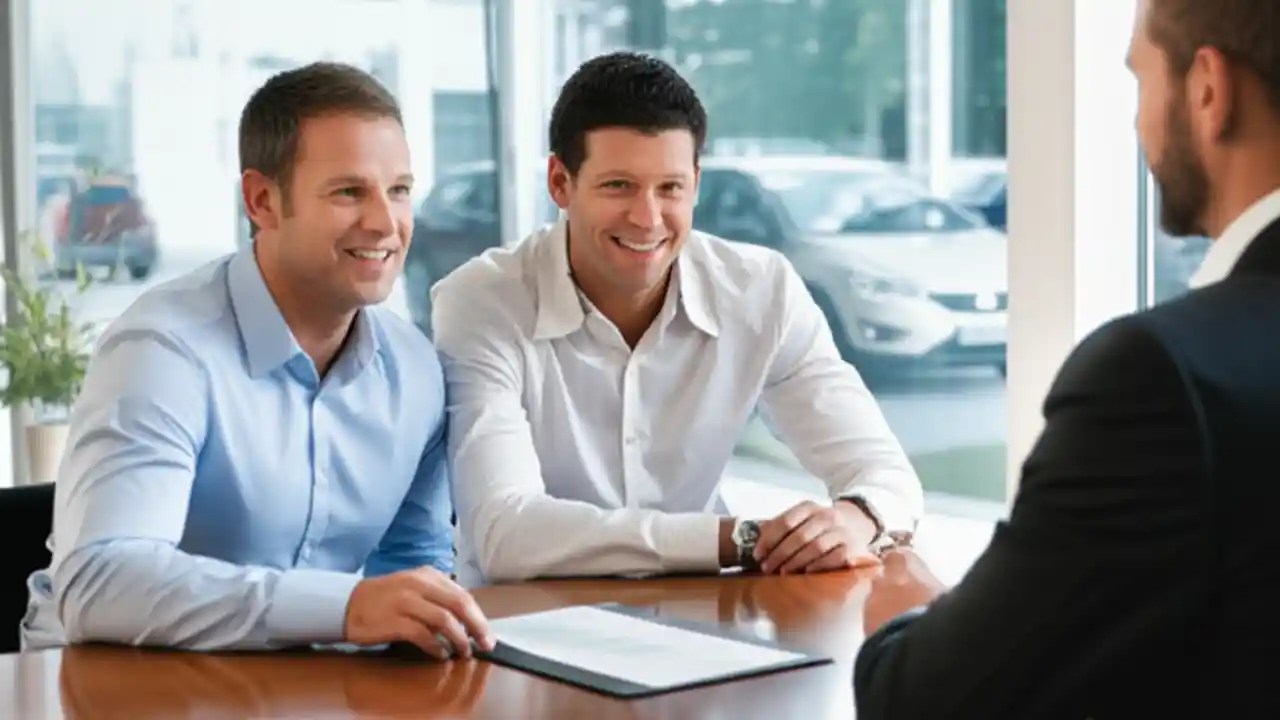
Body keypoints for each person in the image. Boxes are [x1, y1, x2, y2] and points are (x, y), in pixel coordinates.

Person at [853, 1, 1280, 716]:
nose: (1140, 123)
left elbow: (927, 702)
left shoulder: (1160, 377)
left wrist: (910, 620)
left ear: (1209, 90)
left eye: (1142, 82)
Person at [20, 62, 493, 659]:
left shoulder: (416, 369)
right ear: (262, 200)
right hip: (106, 682)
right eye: (349, 191)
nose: (385, 223)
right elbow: (100, 583)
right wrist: (343, 609)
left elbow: (413, 570)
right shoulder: (164, 350)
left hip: (293, 684)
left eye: (398, 190)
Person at [431, 52, 923, 587]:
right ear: (560, 183)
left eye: (670, 188)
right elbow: (506, 532)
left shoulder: (761, 292)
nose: (647, 219)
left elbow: (886, 474)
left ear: (695, 183)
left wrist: (852, 520)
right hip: (522, 623)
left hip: (699, 616)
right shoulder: (481, 301)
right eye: (618, 186)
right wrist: (740, 539)